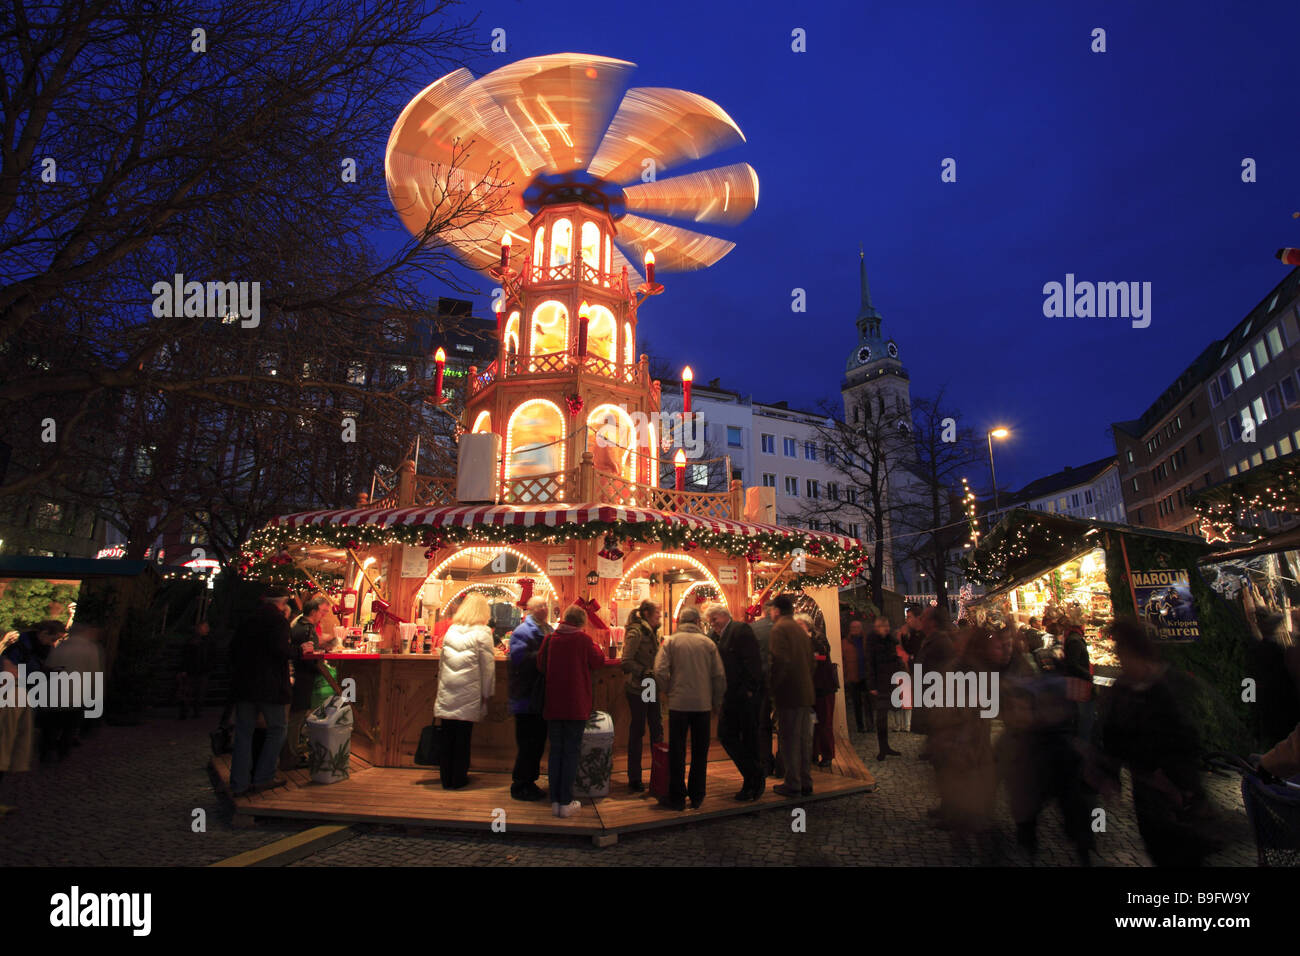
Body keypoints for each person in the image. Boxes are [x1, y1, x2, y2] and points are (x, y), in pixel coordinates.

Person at [1097, 617, 1222, 867]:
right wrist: (1109, 774)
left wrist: (1178, 786)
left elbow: (1188, 738)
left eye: (1124, 652)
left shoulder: (1171, 686)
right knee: (1161, 848)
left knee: (1185, 853)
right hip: (1150, 795)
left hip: (1180, 790)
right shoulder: (1123, 689)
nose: (1121, 659)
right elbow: (1113, 736)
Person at [653, 606, 726, 810]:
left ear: (680, 622)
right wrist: (716, 702)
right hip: (702, 704)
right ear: (697, 622)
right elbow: (719, 676)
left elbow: (659, 670)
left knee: (677, 751)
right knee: (700, 751)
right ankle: (697, 795)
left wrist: (668, 690)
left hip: (678, 704)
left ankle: (676, 797)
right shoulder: (708, 643)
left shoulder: (671, 642)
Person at [538, 605, 605, 818]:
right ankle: (565, 801)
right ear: (581, 622)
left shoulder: (549, 639)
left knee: (556, 751)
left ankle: (555, 800)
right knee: (571, 752)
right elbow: (598, 661)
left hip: (553, 703)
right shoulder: (584, 641)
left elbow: (540, 665)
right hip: (575, 705)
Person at [229, 587, 294, 796]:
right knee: (278, 729)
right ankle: (263, 777)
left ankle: (238, 783)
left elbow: (233, 649)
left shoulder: (248, 619)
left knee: (243, 733)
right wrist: (299, 651)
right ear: (282, 603)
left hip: (245, 684)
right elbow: (280, 651)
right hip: (270, 685)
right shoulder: (278, 621)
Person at [432, 593, 496, 790]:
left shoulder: (452, 630)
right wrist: (487, 695)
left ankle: (446, 778)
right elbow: (488, 669)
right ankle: (458, 778)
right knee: (463, 737)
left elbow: (442, 663)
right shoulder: (483, 632)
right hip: (469, 692)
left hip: (448, 689)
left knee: (447, 735)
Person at [705, 603, 764, 801]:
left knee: (747, 738)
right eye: (710, 621)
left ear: (724, 615)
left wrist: (750, 689)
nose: (713, 624)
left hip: (744, 696)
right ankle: (753, 775)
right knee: (727, 735)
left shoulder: (740, 630)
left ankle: (753, 782)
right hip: (729, 696)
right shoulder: (715, 636)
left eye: (715, 619)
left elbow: (753, 661)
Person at [769, 595, 815, 798]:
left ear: (777, 610)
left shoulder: (779, 629)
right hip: (806, 691)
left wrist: (773, 688)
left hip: (789, 692)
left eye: (771, 609)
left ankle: (792, 782)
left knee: (789, 739)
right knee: (804, 739)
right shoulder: (799, 629)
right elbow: (811, 661)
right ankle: (806, 780)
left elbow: (780, 661)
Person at [508, 597, 551, 801]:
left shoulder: (547, 629)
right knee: (528, 743)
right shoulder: (522, 632)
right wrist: (545, 655)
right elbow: (519, 661)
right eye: (540, 606)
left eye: (545, 605)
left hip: (540, 696)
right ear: (532, 610)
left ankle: (529, 781)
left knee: (537, 742)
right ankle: (521, 784)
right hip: (526, 696)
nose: (544, 609)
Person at [620, 600, 663, 792]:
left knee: (656, 728)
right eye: (657, 613)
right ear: (646, 613)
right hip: (640, 685)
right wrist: (645, 671)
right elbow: (626, 661)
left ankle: (659, 774)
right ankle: (635, 777)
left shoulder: (652, 631)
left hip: (649, 684)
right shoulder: (637, 632)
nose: (660, 616)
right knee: (640, 730)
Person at [44, 622, 104, 757]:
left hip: (56, 690)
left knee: (52, 723)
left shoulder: (62, 646)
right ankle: (63, 752)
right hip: (77, 692)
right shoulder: (90, 648)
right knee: (70, 725)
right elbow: (94, 672)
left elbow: (48, 665)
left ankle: (46, 750)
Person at [282, 599, 326, 770]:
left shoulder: (300, 626)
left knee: (297, 715)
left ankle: (293, 750)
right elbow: (305, 654)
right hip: (301, 677)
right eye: (322, 611)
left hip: (300, 676)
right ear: (314, 611)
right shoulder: (305, 629)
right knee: (296, 715)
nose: (323, 615)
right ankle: (290, 754)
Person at [801, 613, 837, 768]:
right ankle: (813, 754)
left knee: (824, 723)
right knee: (812, 723)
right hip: (810, 688)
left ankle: (827, 755)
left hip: (823, 687)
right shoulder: (802, 640)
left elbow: (822, 657)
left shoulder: (818, 638)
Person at [866, 614, 903, 761]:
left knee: (887, 715)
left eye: (887, 626)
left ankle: (886, 746)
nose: (886, 629)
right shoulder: (872, 642)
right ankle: (882, 748)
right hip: (879, 683)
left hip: (890, 681)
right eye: (884, 626)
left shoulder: (889, 641)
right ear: (877, 627)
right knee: (881, 717)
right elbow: (870, 664)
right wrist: (872, 685)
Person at [750, 600, 779, 778]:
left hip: (760, 682)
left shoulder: (754, 628)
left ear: (764, 611)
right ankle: (784, 765)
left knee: (762, 724)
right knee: (784, 725)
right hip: (782, 681)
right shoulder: (785, 628)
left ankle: (766, 763)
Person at [176, 620, 214, 720]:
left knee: (198, 693)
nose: (207, 629)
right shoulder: (194, 641)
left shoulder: (206, 641)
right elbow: (186, 656)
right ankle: (188, 711)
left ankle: (194, 712)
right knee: (190, 692)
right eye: (205, 627)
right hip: (193, 670)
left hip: (200, 670)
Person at [841, 619, 870, 734]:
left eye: (857, 627)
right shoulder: (845, 642)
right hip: (853, 676)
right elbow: (843, 659)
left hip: (866, 675)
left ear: (861, 629)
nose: (855, 630)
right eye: (853, 628)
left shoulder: (866, 640)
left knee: (868, 703)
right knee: (857, 703)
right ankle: (860, 726)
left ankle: (870, 725)